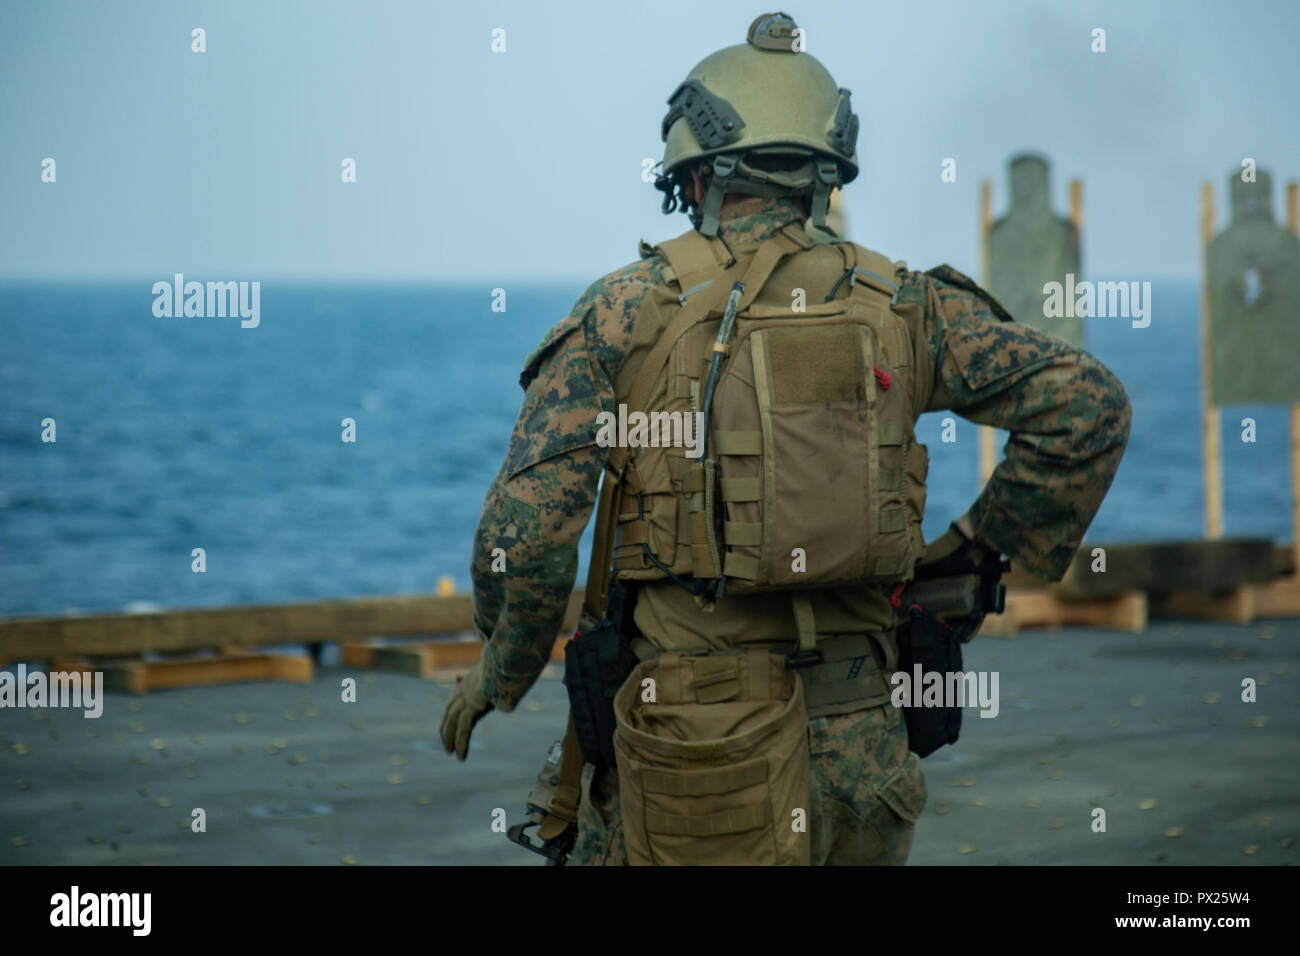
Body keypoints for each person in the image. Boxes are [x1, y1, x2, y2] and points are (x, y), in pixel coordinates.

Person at [441, 12, 1131, 866]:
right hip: (867, 754)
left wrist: (499, 675)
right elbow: (1089, 406)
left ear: (692, 178)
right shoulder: (907, 305)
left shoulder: (625, 311)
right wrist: (971, 563)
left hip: (699, 755)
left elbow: (528, 535)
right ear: (824, 176)